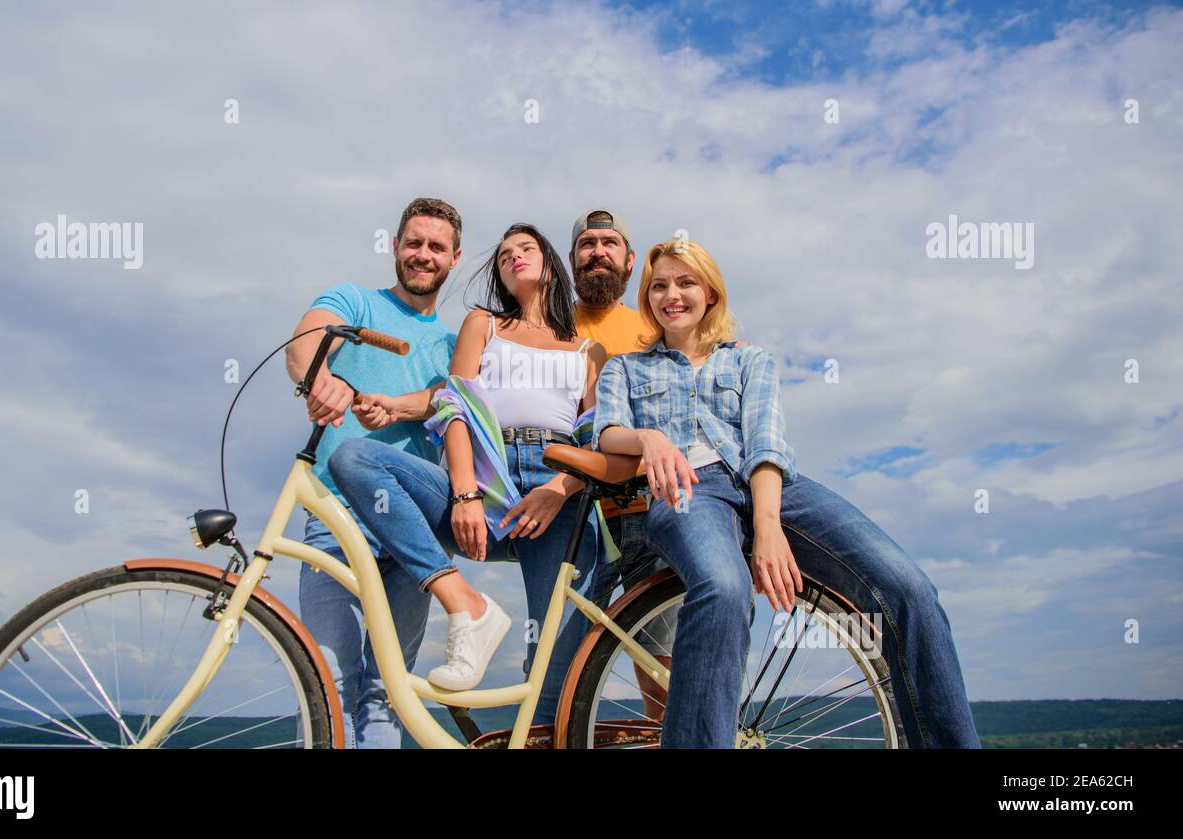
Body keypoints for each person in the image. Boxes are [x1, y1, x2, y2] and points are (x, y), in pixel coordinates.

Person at [593, 236, 981, 749]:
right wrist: (649, 437)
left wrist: (770, 527)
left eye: (686, 282)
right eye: (659, 285)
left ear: (710, 293)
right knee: (724, 589)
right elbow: (606, 432)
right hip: (688, 491)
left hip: (771, 487)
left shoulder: (751, 362)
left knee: (907, 588)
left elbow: (766, 447)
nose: (672, 294)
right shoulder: (626, 368)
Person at [329, 223, 608, 724]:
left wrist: (557, 490)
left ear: (550, 263)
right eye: (504, 255)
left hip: (558, 493)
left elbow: (596, 440)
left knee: (553, 668)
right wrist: (463, 494)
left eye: (526, 248)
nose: (514, 256)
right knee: (354, 457)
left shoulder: (589, 352)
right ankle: (467, 605)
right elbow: (453, 407)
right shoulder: (485, 324)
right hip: (486, 484)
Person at [284, 197, 461, 748]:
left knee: (389, 691)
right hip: (337, 514)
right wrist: (319, 379)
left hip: (412, 529)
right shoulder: (354, 301)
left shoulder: (455, 346)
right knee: (328, 684)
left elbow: (451, 404)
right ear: (395, 247)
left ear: (453, 259)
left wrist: (405, 405)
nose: (423, 255)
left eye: (436, 247)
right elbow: (305, 340)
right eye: (414, 242)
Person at [569, 208, 678, 720]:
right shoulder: (549, 325)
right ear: (572, 258)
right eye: (587, 243)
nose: (598, 251)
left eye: (609, 243)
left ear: (629, 259)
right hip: (569, 507)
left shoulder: (656, 327)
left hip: (645, 504)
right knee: (557, 654)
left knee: (661, 659)